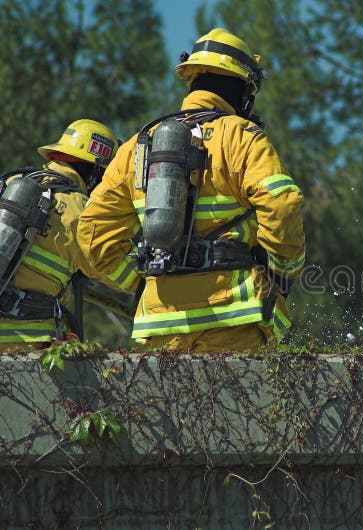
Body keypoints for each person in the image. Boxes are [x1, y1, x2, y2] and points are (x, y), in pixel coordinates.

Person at [77, 28, 306, 352]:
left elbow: (91, 236)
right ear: (244, 91)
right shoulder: (242, 137)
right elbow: (282, 205)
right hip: (234, 316)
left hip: (161, 323)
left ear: (193, 80)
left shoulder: (136, 148)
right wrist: (283, 274)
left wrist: (140, 281)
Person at [0, 119, 121, 352]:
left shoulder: (9, 184)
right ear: (96, 172)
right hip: (27, 343)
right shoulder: (82, 211)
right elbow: (117, 273)